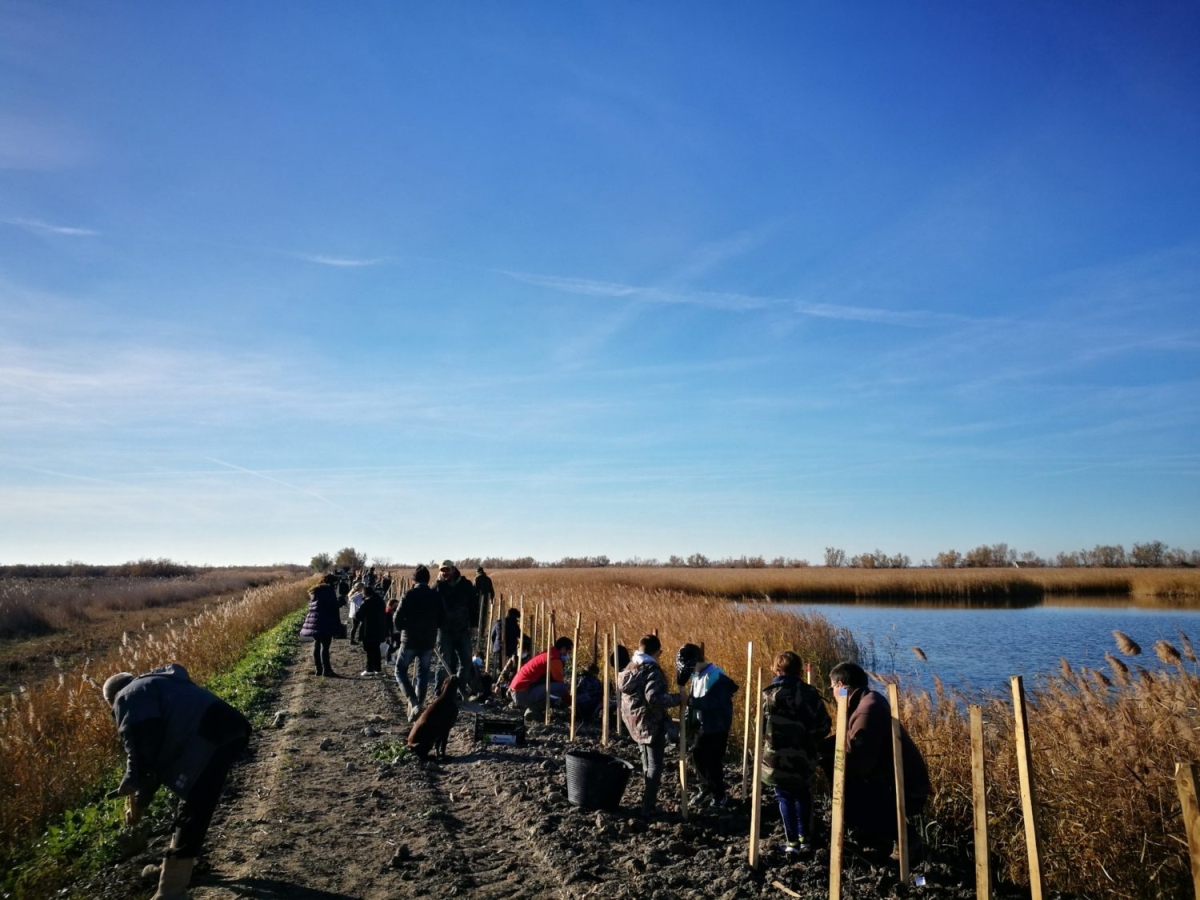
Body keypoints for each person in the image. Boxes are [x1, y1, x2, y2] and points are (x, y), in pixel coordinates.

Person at [103, 664, 251, 900]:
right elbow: (153, 763)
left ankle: (171, 890)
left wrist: (132, 781)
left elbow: (142, 754)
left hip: (209, 741)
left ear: (112, 699)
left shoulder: (128, 696)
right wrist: (140, 800)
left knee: (193, 811)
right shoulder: (156, 684)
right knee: (192, 804)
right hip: (226, 730)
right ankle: (174, 871)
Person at [823, 661, 931, 849]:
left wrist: (830, 762)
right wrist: (821, 747)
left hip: (904, 787)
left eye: (832, 688)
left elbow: (862, 763)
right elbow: (846, 739)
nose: (833, 694)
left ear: (840, 686)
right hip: (896, 780)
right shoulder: (865, 701)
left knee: (849, 800)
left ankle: (905, 839)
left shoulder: (866, 710)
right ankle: (875, 834)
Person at [762, 651, 832, 855]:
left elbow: (760, 726)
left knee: (784, 797)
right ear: (800, 670)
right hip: (803, 756)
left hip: (776, 758)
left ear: (776, 669)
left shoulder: (767, 694)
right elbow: (824, 725)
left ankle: (791, 842)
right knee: (803, 794)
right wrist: (811, 739)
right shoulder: (809, 694)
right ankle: (805, 839)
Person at [617, 634, 681, 818]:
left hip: (633, 722)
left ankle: (647, 801)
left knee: (646, 761)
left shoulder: (630, 668)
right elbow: (653, 697)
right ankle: (648, 807)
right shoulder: (652, 670)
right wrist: (679, 699)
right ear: (657, 652)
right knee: (655, 766)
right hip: (650, 723)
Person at [676, 643, 738, 809]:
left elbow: (715, 702)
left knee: (712, 762)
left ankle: (719, 796)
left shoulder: (717, 677)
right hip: (703, 727)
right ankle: (706, 788)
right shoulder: (697, 675)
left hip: (717, 728)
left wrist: (691, 701)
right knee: (697, 757)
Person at [393, 565, 443, 721]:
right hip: (428, 641)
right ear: (428, 580)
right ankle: (420, 706)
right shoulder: (435, 596)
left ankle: (414, 703)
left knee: (400, 671)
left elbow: (397, 618)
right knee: (423, 675)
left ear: (413, 580)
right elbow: (441, 618)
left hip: (409, 640)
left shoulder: (409, 594)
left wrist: (402, 629)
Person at [433, 560, 479, 699]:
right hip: (444, 630)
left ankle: (458, 689)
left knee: (466, 661)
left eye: (447, 570)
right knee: (444, 662)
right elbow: (431, 609)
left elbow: (473, 607)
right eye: (442, 570)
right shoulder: (437, 587)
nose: (445, 573)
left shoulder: (466, 585)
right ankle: (439, 693)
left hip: (462, 629)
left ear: (453, 569)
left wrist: (474, 625)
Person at [510, 636, 573, 718]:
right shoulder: (554, 659)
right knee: (560, 688)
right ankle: (534, 711)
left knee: (556, 686)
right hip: (521, 694)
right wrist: (572, 703)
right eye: (568, 652)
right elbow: (560, 684)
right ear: (563, 649)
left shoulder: (548, 653)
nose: (568, 656)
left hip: (518, 691)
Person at [300, 574, 346, 676]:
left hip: (315, 622)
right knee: (325, 646)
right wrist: (342, 601)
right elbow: (332, 606)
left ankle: (318, 669)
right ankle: (327, 670)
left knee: (317, 645)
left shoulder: (316, 591)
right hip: (325, 621)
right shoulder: (328, 591)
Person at [356, 586, 388, 676]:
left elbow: (358, 615)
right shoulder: (381, 601)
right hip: (379, 629)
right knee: (376, 649)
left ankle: (369, 669)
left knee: (369, 650)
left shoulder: (367, 603)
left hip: (368, 629)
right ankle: (378, 669)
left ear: (365, 593)